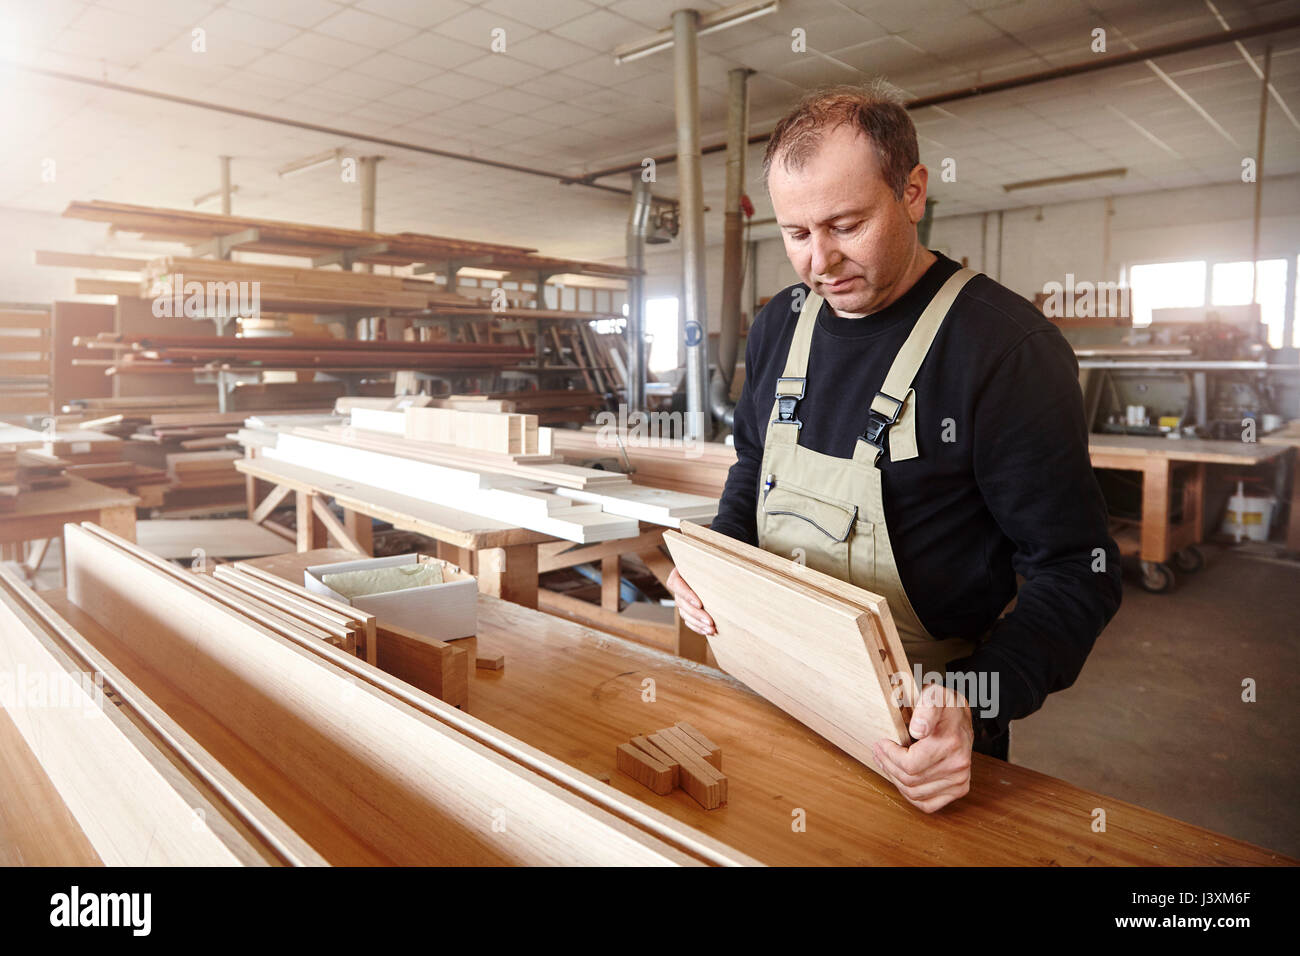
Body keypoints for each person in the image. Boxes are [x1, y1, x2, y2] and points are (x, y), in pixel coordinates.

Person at [666, 84, 1122, 813]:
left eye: (847, 224)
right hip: (772, 682)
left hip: (918, 731)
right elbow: (754, 465)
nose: (821, 262)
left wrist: (974, 701)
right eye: (796, 234)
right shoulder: (780, 323)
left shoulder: (1003, 348)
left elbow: (1077, 570)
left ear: (912, 192)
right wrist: (716, 560)